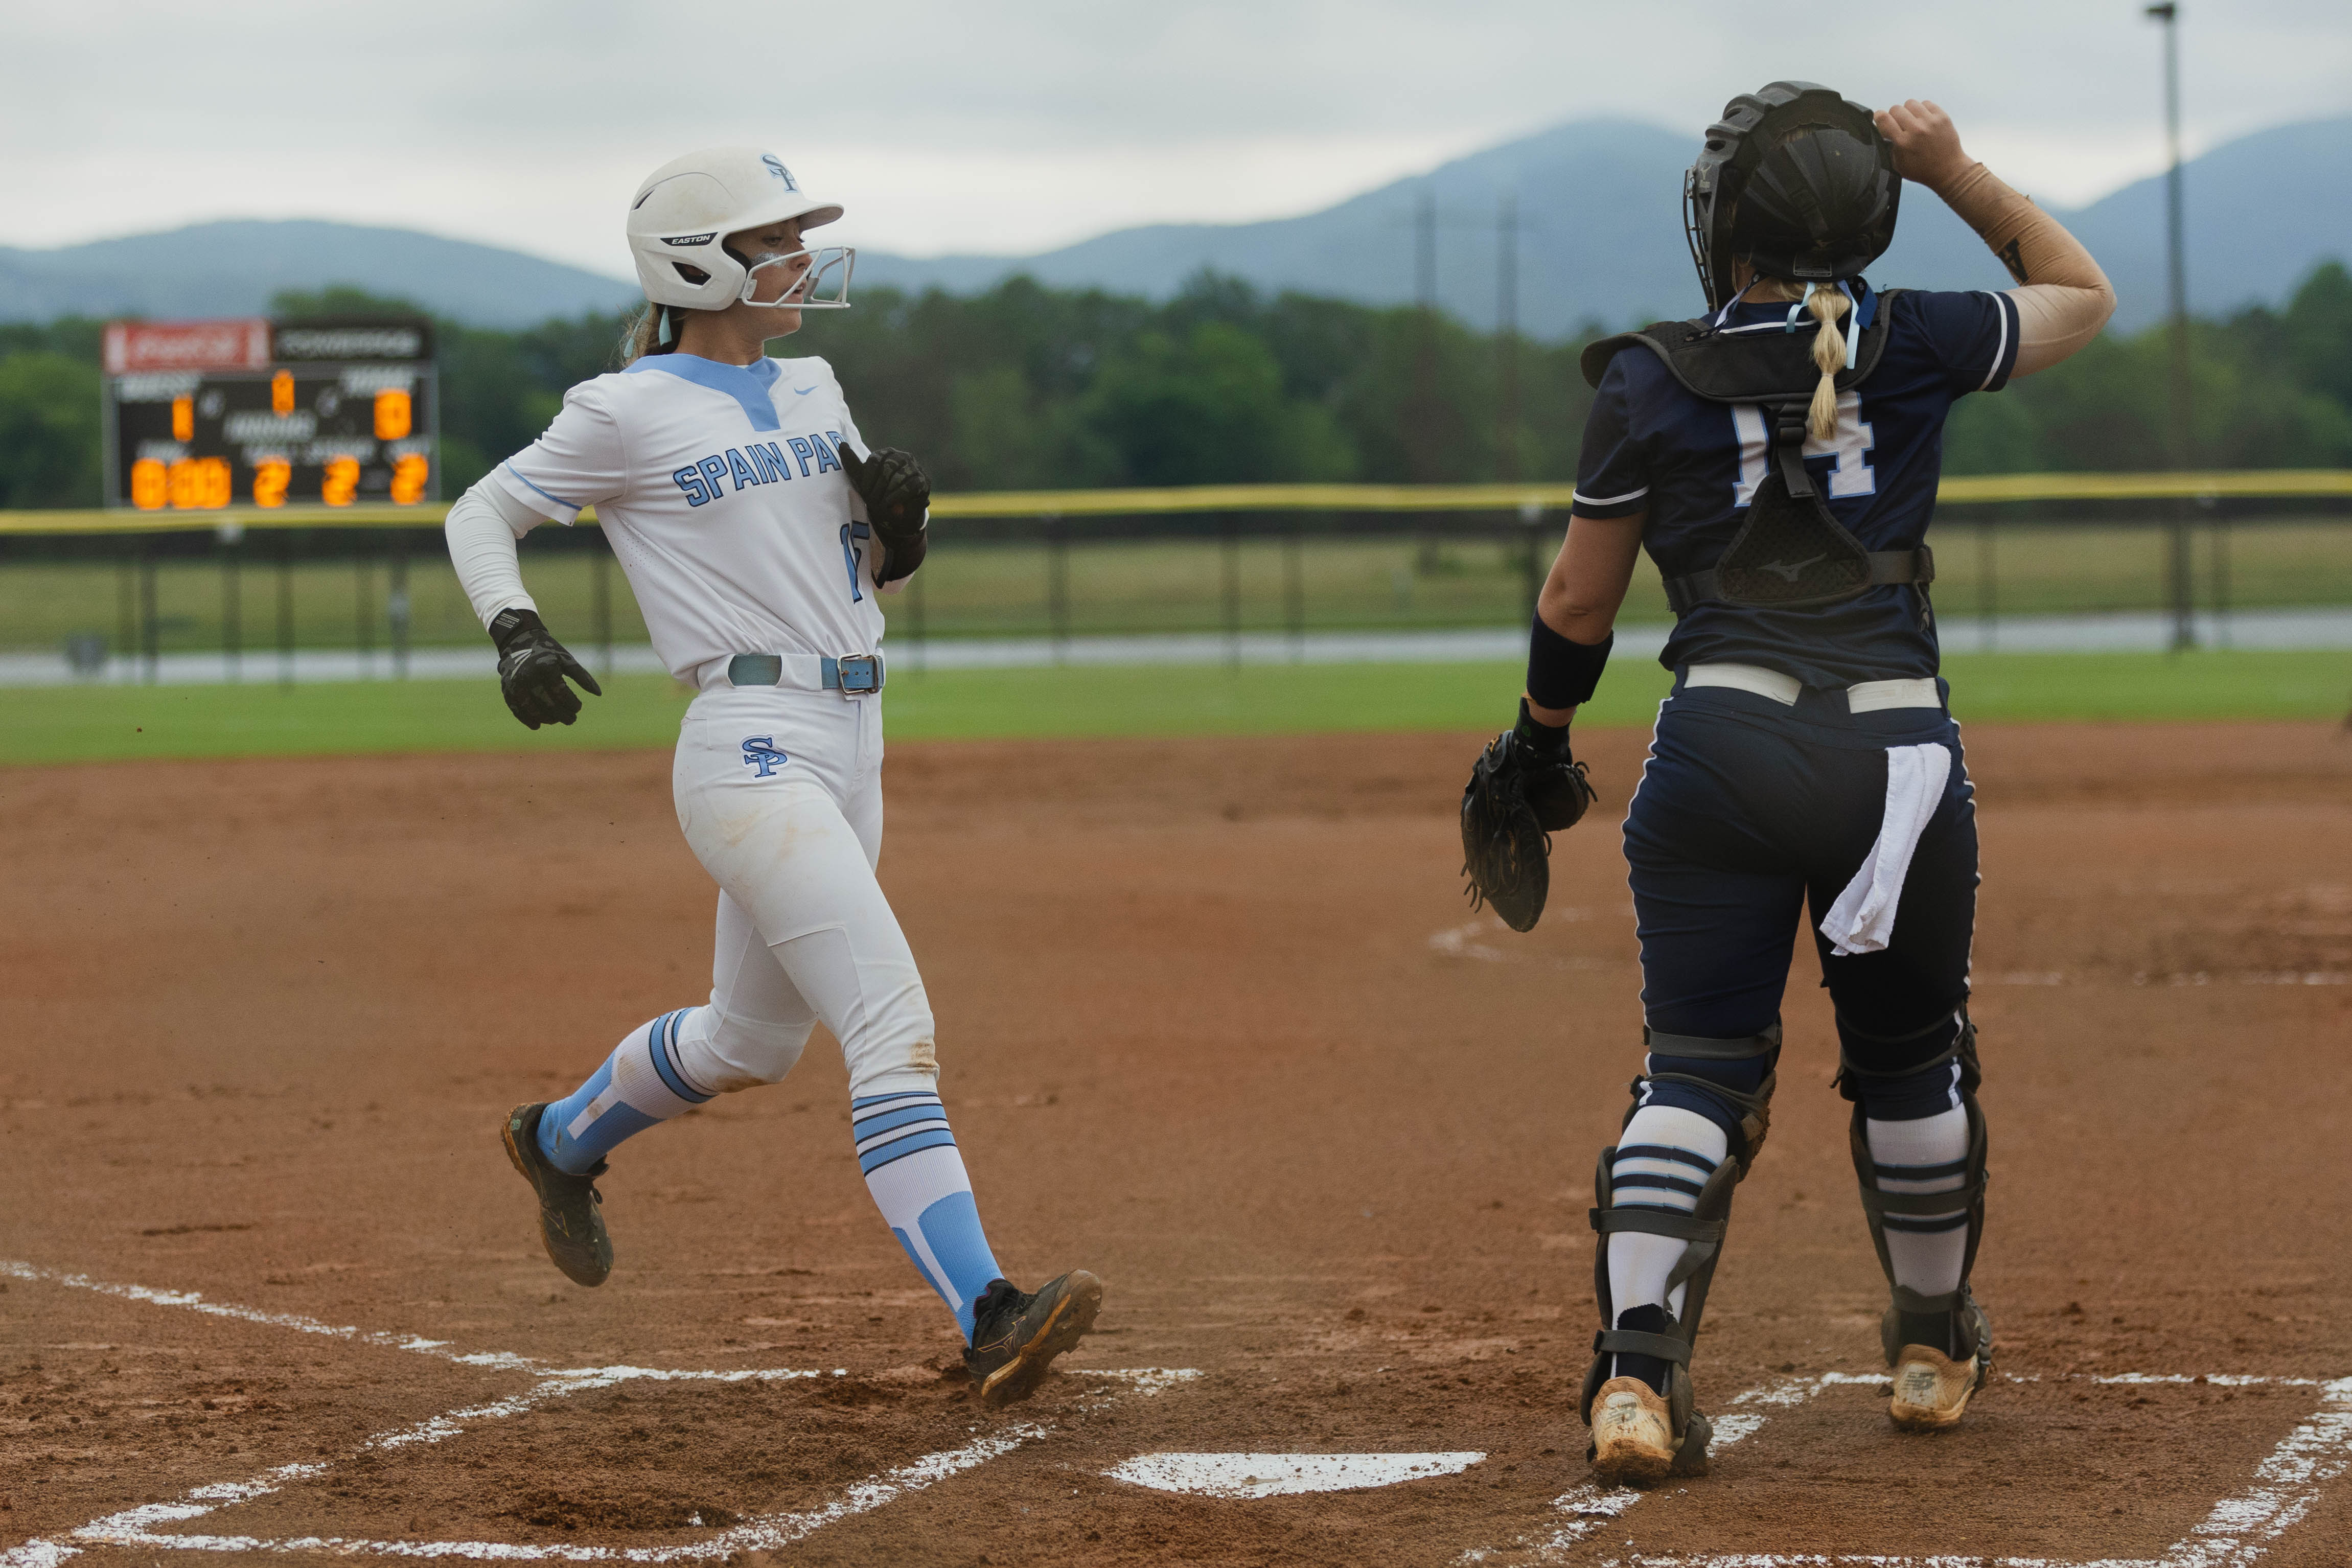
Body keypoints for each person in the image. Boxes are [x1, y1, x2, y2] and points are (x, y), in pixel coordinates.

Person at [1460, 86, 2112, 1483]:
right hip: (1896, 760)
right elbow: (2083, 295)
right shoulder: (1919, 336)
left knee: (1695, 1066)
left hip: (1719, 748)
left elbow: (1578, 601)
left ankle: (1636, 1376)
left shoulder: (1651, 374)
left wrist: (1537, 741)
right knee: (1910, 1058)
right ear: (1863, 220)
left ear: (1729, 227)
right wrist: (1954, 172)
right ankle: (1930, 1346)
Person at [441, 147, 1101, 1408]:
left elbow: (871, 575)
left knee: (749, 1039)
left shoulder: (813, 382)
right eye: (773, 240)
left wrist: (902, 532)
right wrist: (513, 627)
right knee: (889, 1021)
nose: (798, 258)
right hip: (749, 742)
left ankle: (561, 1140)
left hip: (856, 733)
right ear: (699, 265)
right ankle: (987, 1308)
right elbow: (480, 513)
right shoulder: (624, 409)